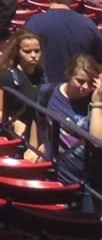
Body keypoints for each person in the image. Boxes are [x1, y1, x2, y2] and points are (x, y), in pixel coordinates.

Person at [22, 0, 102, 91]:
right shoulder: (88, 25)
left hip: (42, 95)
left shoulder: (34, 24)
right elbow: (98, 64)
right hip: (77, 94)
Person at [42, 55, 101, 185]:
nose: (85, 87)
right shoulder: (48, 92)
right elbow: (37, 118)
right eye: (80, 81)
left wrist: (97, 103)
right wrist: (36, 144)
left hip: (88, 181)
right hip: (56, 173)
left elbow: (97, 141)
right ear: (69, 75)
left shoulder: (97, 102)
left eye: (91, 83)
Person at [0, 29, 49, 148]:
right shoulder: (7, 76)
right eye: (27, 51)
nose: (33, 55)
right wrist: (15, 123)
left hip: (37, 132)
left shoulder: (42, 74)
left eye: (37, 51)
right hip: (15, 134)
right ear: (17, 52)